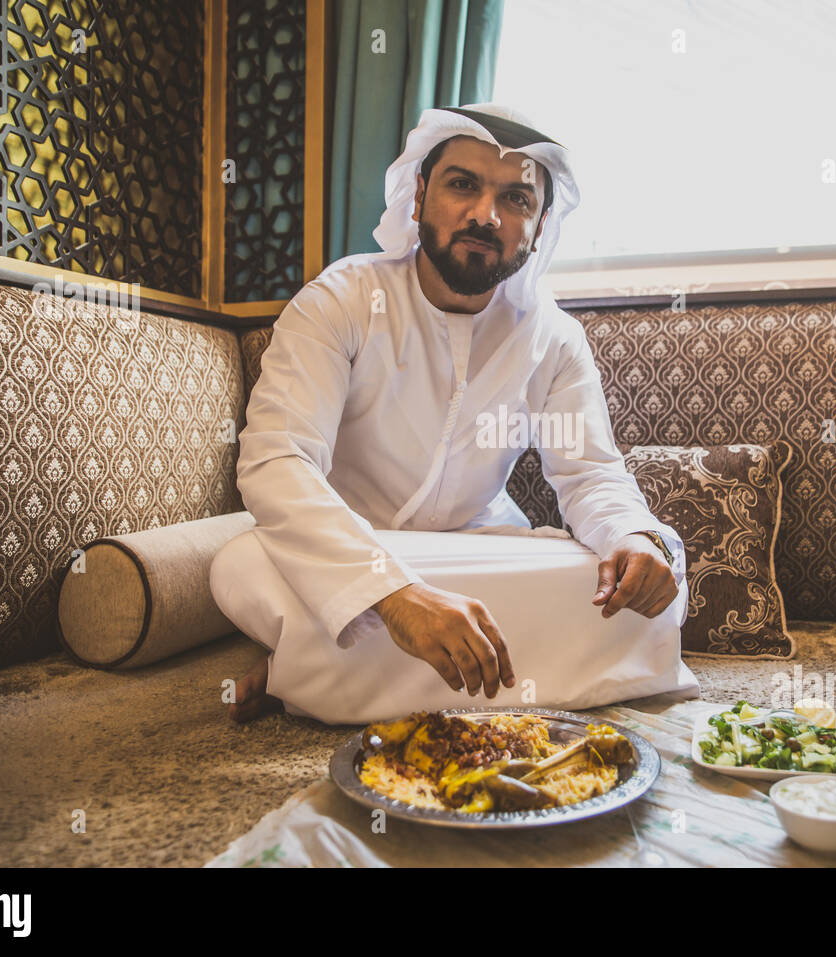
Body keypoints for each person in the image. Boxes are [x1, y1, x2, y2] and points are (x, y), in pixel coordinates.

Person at [210, 103, 699, 724]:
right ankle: (368, 648)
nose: (485, 215)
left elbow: (591, 475)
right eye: (463, 184)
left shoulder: (553, 337)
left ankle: (317, 671)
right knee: (242, 563)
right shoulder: (342, 299)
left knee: (631, 573)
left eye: (516, 199)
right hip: (348, 547)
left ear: (540, 225)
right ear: (418, 196)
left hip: (478, 552)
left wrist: (632, 536)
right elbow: (278, 461)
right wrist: (392, 592)